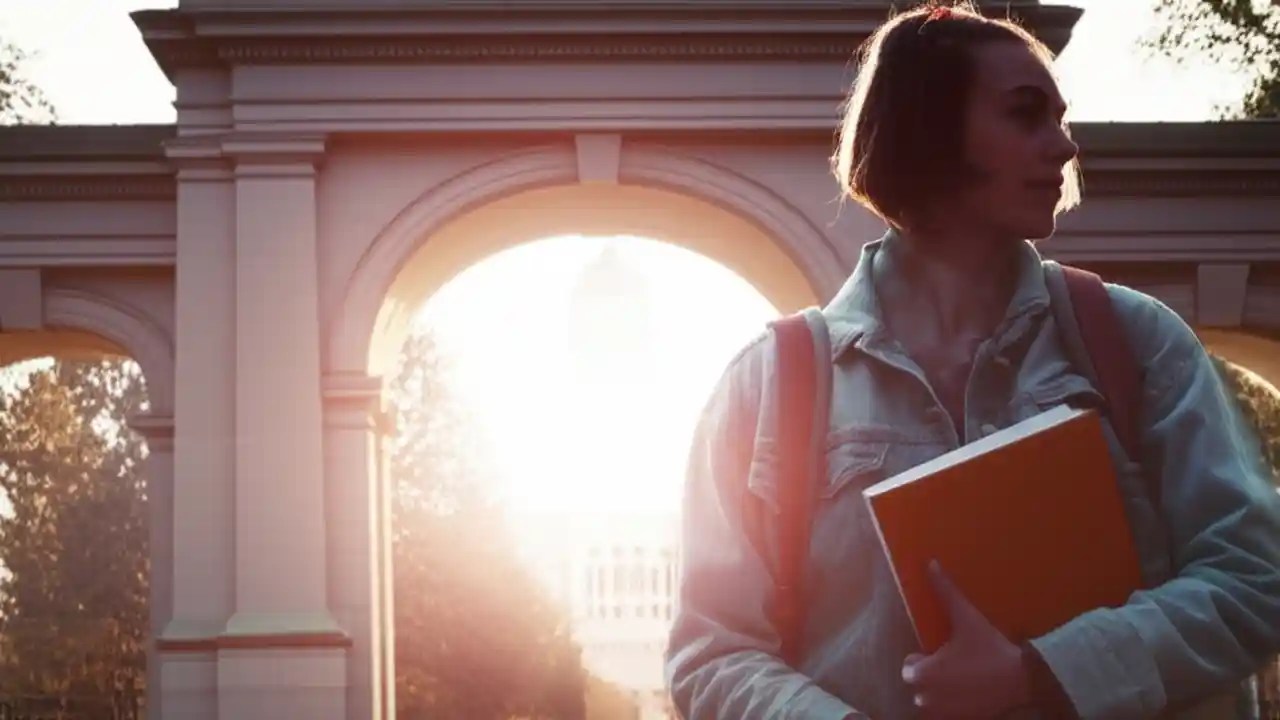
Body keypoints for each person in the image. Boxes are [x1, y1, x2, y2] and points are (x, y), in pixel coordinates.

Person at [663, 3, 1280, 719]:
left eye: (1060, 118)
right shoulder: (769, 384)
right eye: (1026, 115)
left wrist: (1042, 672)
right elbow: (711, 654)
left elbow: (1255, 578)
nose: (1065, 146)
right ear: (928, 130)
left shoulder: (1136, 341)